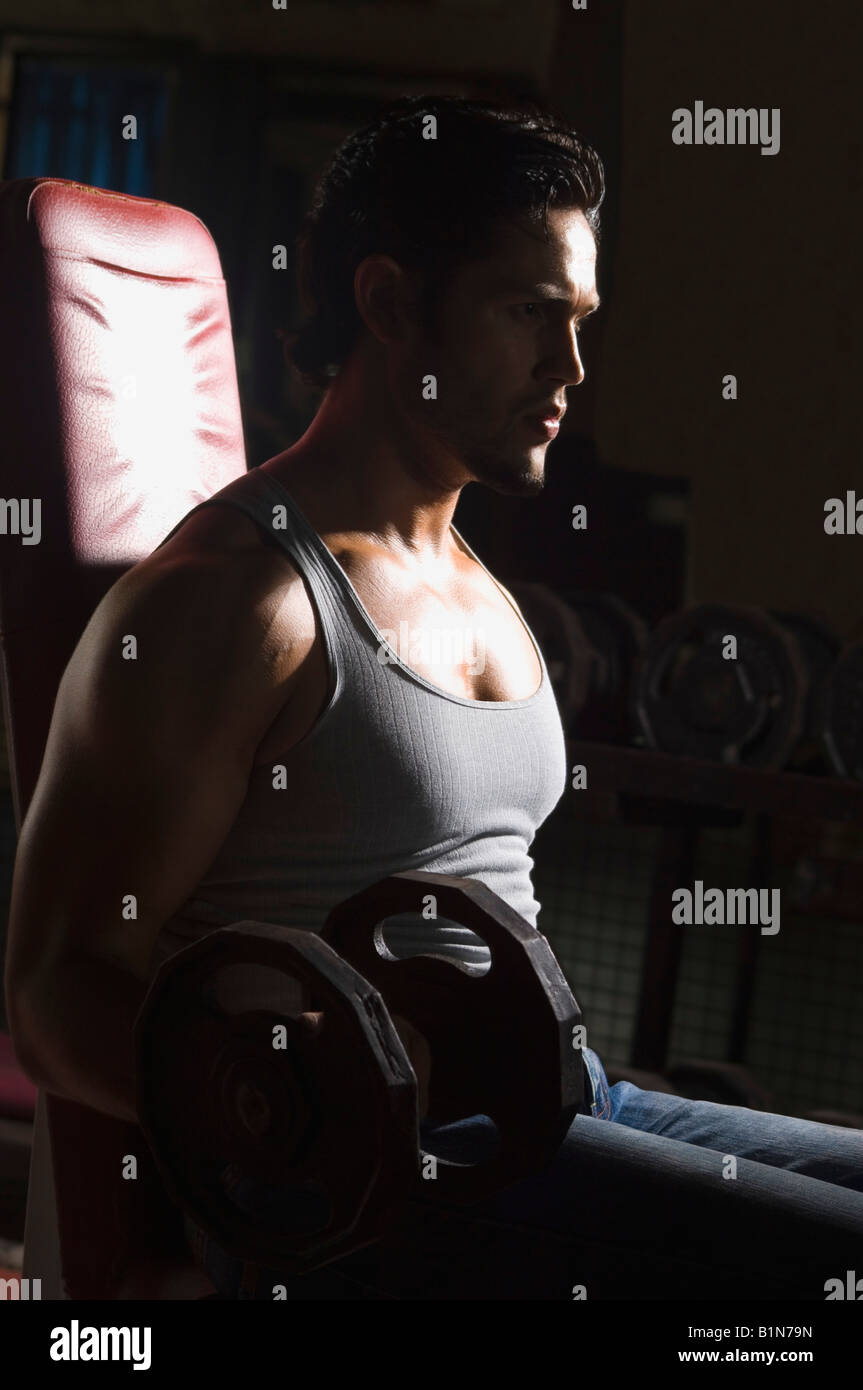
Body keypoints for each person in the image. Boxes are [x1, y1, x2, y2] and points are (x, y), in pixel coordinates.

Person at [5, 95, 861, 1301]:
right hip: (364, 1191)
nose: (567, 368)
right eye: (528, 314)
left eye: (579, 323)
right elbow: (54, 989)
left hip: (558, 1110)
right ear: (391, 303)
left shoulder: (476, 585)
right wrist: (306, 1100)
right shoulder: (237, 599)